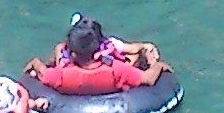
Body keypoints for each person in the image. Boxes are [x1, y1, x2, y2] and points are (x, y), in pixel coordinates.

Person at [26, 21, 172, 106]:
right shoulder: (116, 70)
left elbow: (42, 73)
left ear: (73, 53)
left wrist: (36, 63)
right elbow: (149, 79)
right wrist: (158, 65)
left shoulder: (60, 76)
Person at [46, 14, 159, 69]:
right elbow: (134, 48)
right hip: (107, 74)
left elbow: (59, 60)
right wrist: (146, 46)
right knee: (136, 54)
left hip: (73, 74)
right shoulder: (111, 44)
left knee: (58, 50)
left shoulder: (63, 49)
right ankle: (151, 65)